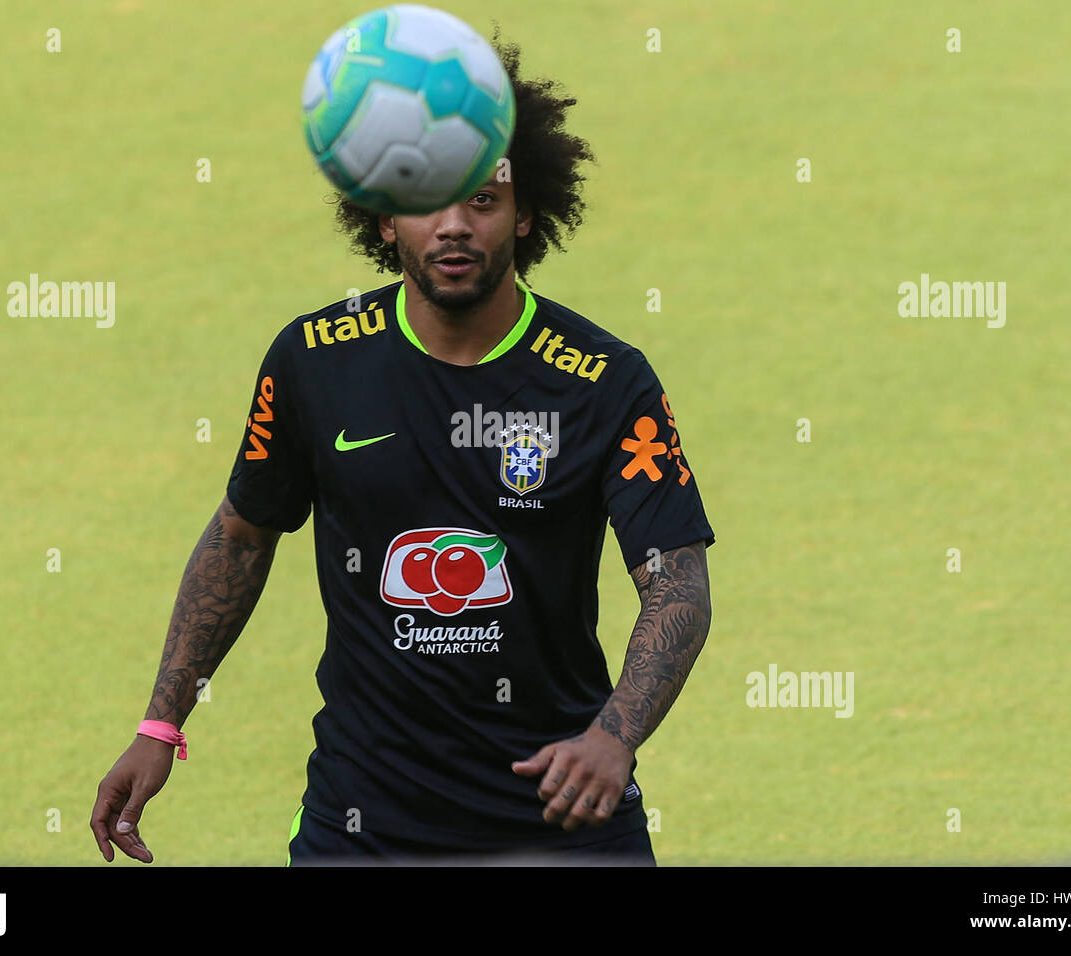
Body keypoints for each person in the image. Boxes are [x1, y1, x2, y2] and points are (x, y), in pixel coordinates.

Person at [91, 32, 714, 867]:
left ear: (525, 213)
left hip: (563, 819)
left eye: (484, 201)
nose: (454, 226)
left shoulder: (604, 381)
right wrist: (161, 723)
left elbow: (677, 583)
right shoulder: (315, 362)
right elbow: (241, 536)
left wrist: (614, 736)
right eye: (427, 197)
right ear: (384, 215)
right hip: (364, 826)